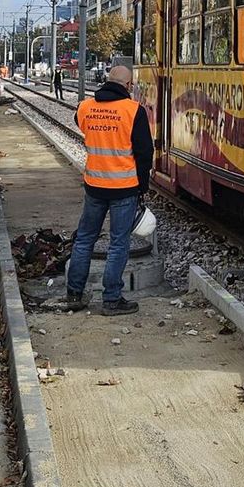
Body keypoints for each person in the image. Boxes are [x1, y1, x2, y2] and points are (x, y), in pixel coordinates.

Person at [66, 64, 153, 316]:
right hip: (123, 188)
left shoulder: (85, 107)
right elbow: (145, 152)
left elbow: (81, 125)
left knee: (84, 239)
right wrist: (143, 187)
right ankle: (111, 299)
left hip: (94, 186)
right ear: (127, 86)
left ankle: (74, 294)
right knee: (118, 243)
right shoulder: (133, 111)